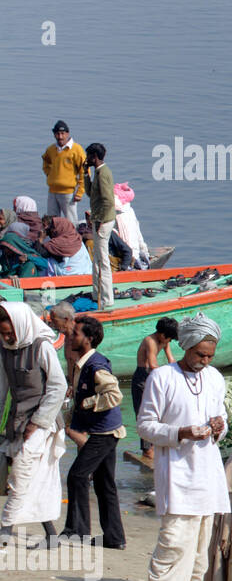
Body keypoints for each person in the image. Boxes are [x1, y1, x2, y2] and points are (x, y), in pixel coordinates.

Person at [137, 313, 228, 581]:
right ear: (185, 347)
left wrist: (218, 427)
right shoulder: (162, 377)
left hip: (208, 474)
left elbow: (222, 419)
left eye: (209, 356)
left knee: (201, 548)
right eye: (199, 354)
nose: (204, 361)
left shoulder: (215, 378)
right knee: (173, 542)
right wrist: (182, 433)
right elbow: (145, 426)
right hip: (176, 473)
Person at [0, 302, 68, 548]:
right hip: (17, 422)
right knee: (34, 478)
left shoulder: (41, 347)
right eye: (3, 333)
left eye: (10, 333)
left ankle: (4, 532)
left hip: (43, 422)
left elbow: (58, 386)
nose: (7, 337)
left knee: (22, 473)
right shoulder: (5, 347)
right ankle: (51, 535)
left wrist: (38, 422)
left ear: (20, 326)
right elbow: (2, 388)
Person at [59, 315, 126, 547]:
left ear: (88, 339)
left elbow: (115, 395)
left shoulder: (95, 365)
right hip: (105, 431)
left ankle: (77, 531)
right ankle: (114, 538)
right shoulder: (83, 363)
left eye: (75, 333)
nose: (70, 336)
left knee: (77, 476)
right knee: (104, 484)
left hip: (103, 433)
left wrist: (85, 403)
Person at [133, 318, 179, 463]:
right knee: (143, 412)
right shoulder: (150, 341)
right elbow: (153, 364)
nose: (169, 341)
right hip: (142, 376)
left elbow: (171, 359)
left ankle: (156, 443)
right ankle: (147, 449)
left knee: (160, 412)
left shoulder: (165, 340)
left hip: (153, 376)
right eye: (168, 338)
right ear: (161, 333)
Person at [83, 143, 116, 312]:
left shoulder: (103, 174)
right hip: (99, 221)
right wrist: (85, 173)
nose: (86, 158)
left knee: (103, 261)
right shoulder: (97, 172)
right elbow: (90, 193)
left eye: (88, 156)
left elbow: (108, 200)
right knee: (96, 259)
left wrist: (100, 221)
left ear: (94, 156)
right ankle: (97, 292)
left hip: (103, 222)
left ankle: (107, 299)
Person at [42, 120, 85, 222]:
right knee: (52, 221)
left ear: (68, 133)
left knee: (71, 221)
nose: (60, 137)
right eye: (57, 134)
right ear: (54, 135)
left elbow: (84, 171)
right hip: (52, 191)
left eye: (62, 133)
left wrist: (80, 192)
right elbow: (45, 161)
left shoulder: (76, 149)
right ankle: (55, 238)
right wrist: (49, 174)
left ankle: (73, 238)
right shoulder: (51, 149)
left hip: (68, 193)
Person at [111, 183, 150, 269]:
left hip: (127, 258)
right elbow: (138, 234)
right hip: (135, 254)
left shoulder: (116, 216)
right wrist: (145, 252)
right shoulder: (130, 211)